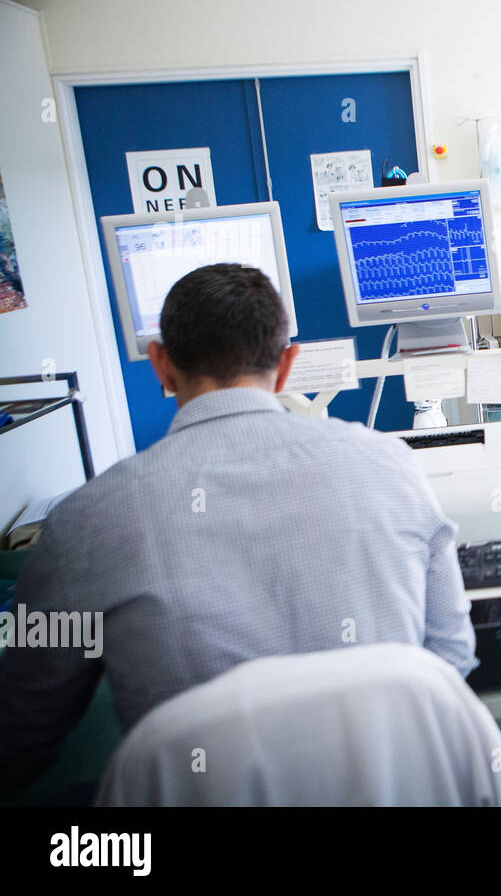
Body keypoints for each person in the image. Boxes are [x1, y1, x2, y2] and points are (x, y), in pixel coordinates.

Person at [0, 263, 476, 794]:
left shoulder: (82, 523)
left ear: (159, 363)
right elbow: (452, 657)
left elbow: (20, 729)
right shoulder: (393, 463)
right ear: (288, 362)